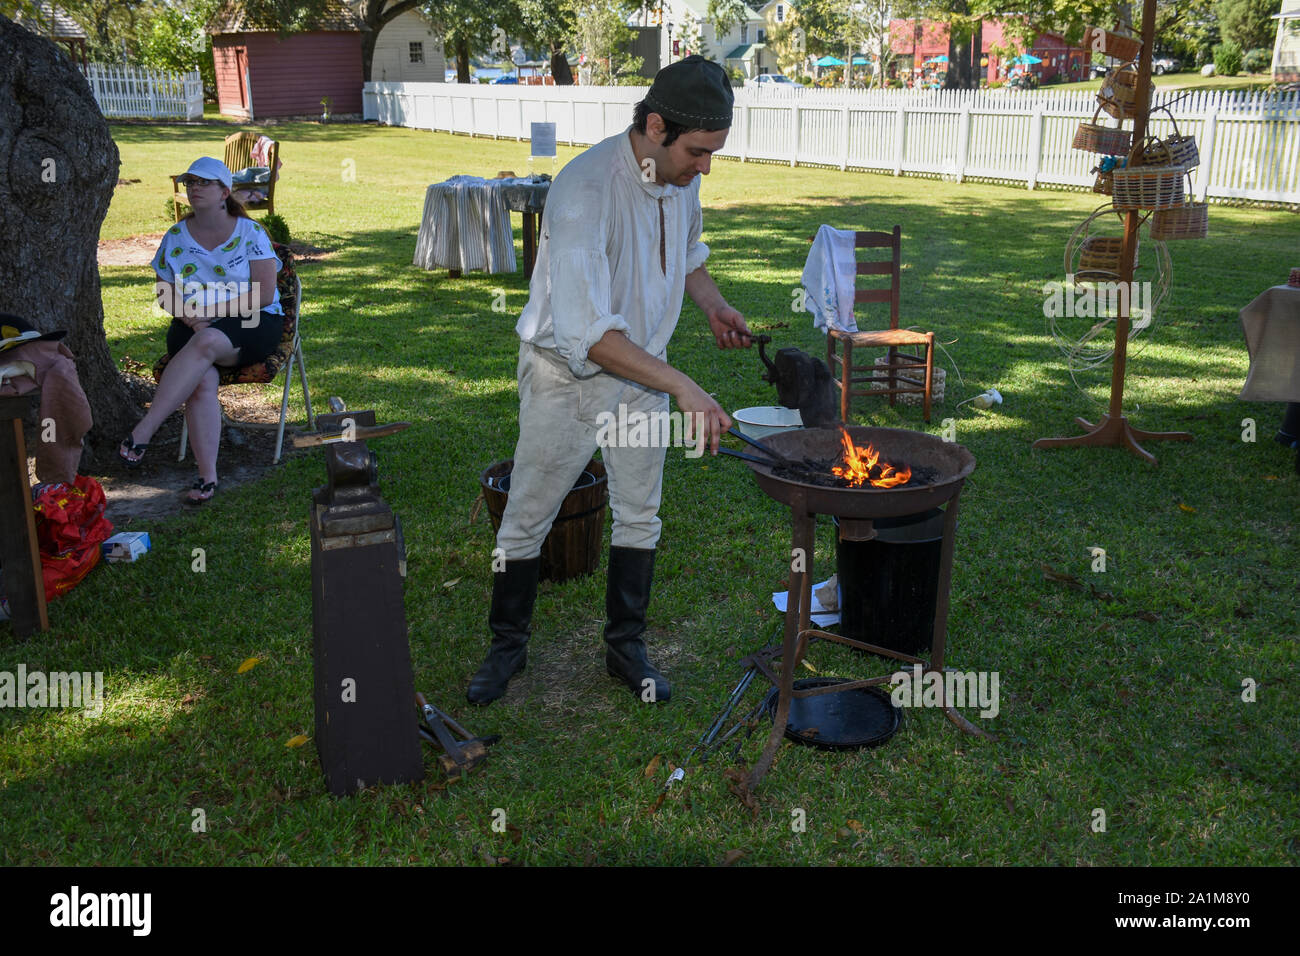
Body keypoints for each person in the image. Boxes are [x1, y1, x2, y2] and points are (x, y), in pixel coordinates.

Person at [467, 55, 752, 706]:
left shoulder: (681, 181)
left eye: (713, 153)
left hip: (640, 374)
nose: (705, 167)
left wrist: (713, 307)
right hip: (563, 376)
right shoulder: (584, 190)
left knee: (640, 515)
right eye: (699, 152)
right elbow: (591, 336)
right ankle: (506, 649)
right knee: (527, 517)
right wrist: (684, 385)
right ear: (655, 126)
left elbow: (686, 257)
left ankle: (626, 648)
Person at [118, 158, 283, 503]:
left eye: (203, 183)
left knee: (207, 339)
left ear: (224, 192)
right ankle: (207, 478)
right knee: (201, 380)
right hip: (189, 323)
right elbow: (164, 292)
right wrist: (190, 317)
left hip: (251, 321)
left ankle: (146, 428)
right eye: (190, 182)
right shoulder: (176, 235)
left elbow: (263, 294)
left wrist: (206, 313)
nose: (194, 188)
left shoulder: (250, 233)